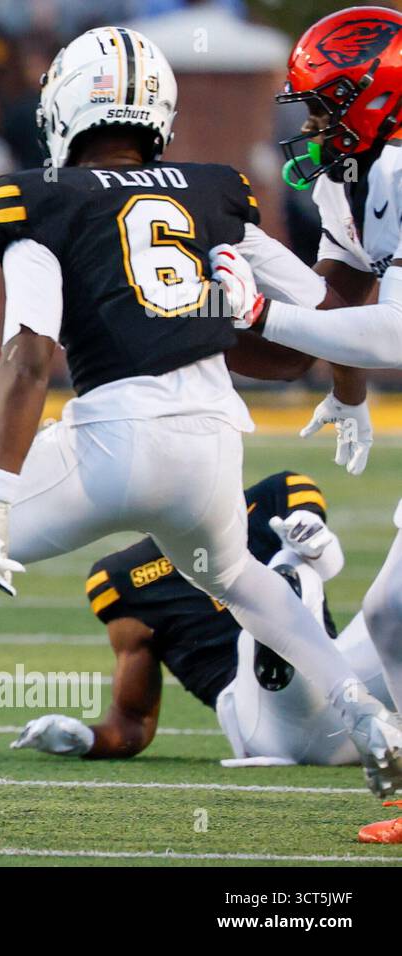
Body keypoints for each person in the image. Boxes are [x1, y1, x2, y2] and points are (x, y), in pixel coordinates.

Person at [0, 26, 402, 837]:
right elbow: (315, 315)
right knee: (241, 580)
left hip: (114, 437)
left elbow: (27, 354)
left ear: (65, 107)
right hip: (211, 438)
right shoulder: (212, 188)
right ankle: (362, 709)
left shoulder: (39, 198)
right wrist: (346, 389)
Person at [210, 7, 402, 843]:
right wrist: (349, 394)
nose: (313, 124)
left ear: (379, 97)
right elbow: (341, 298)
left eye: (328, 105)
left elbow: (395, 328)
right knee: (393, 619)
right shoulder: (352, 175)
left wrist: (260, 312)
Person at [14, 471, 394, 766]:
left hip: (344, 694)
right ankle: (288, 593)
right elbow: (132, 720)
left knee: (387, 607)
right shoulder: (123, 579)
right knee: (282, 583)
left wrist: (316, 541)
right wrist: (88, 739)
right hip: (267, 724)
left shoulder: (274, 500)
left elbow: (324, 557)